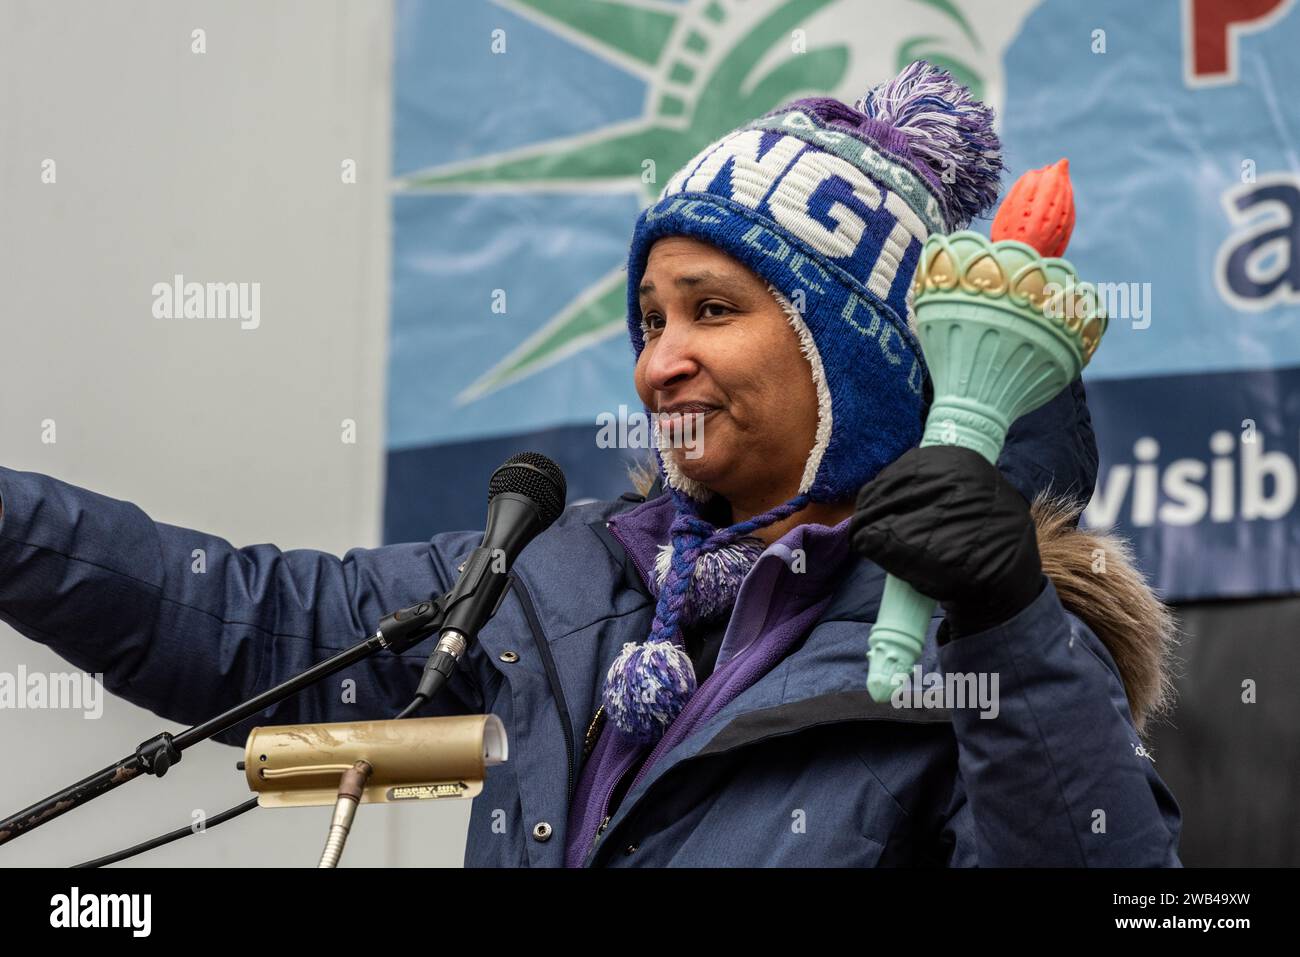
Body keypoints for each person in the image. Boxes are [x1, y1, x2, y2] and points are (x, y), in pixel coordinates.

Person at [0, 61, 1180, 867]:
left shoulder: (986, 639)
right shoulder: (563, 580)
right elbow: (244, 620)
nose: (661, 362)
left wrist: (1011, 630)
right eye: (648, 322)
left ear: (856, 365)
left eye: (711, 310)